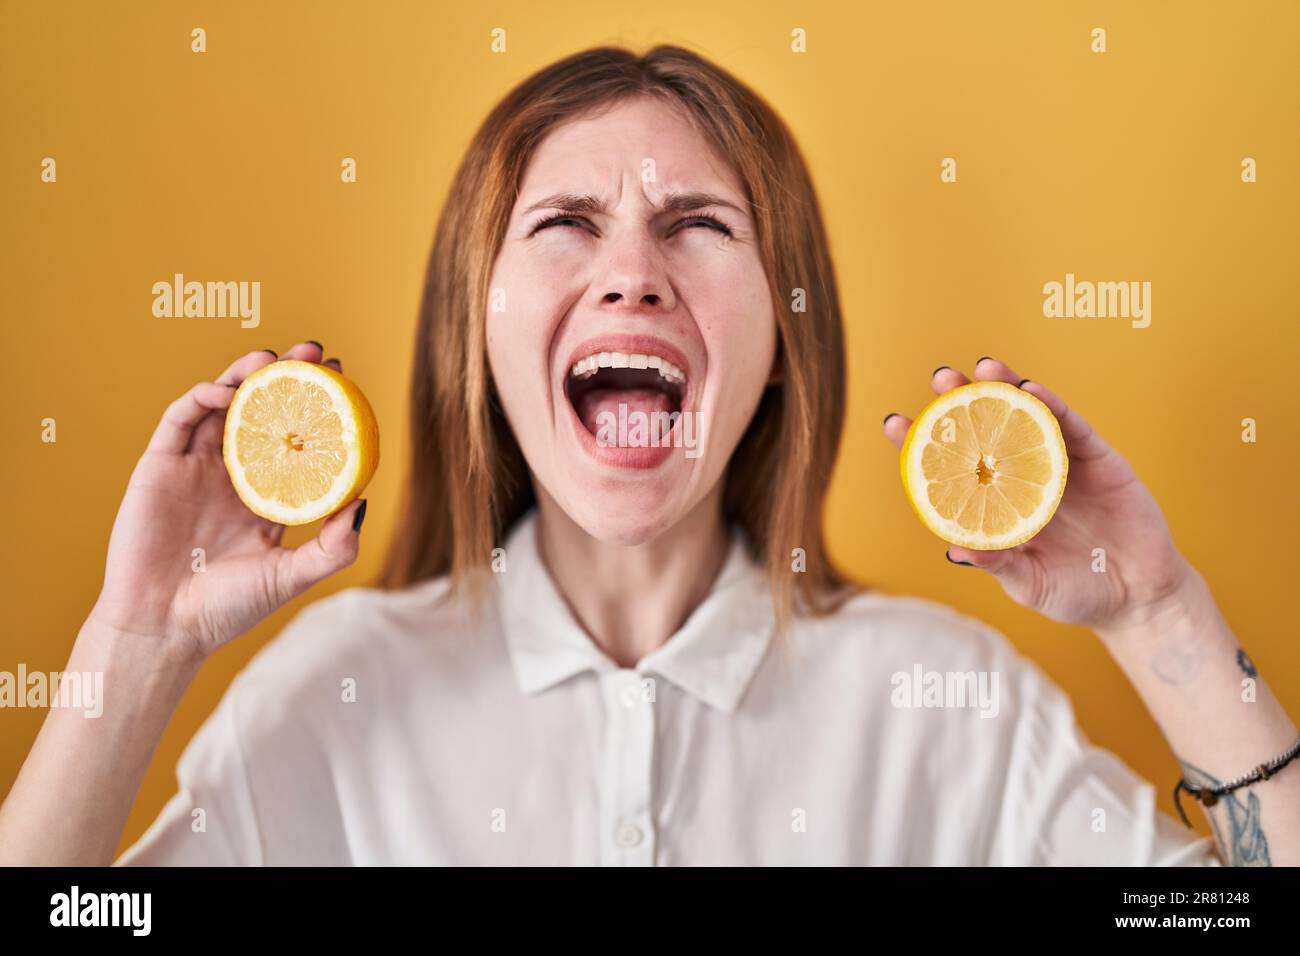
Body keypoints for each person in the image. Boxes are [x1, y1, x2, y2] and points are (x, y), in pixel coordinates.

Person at [1, 46, 1294, 866]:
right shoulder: (335, 703)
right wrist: (140, 644)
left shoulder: (945, 707)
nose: (630, 276)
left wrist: (1162, 621)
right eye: (565, 222)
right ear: (481, 327)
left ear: (785, 341)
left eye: (697, 226)